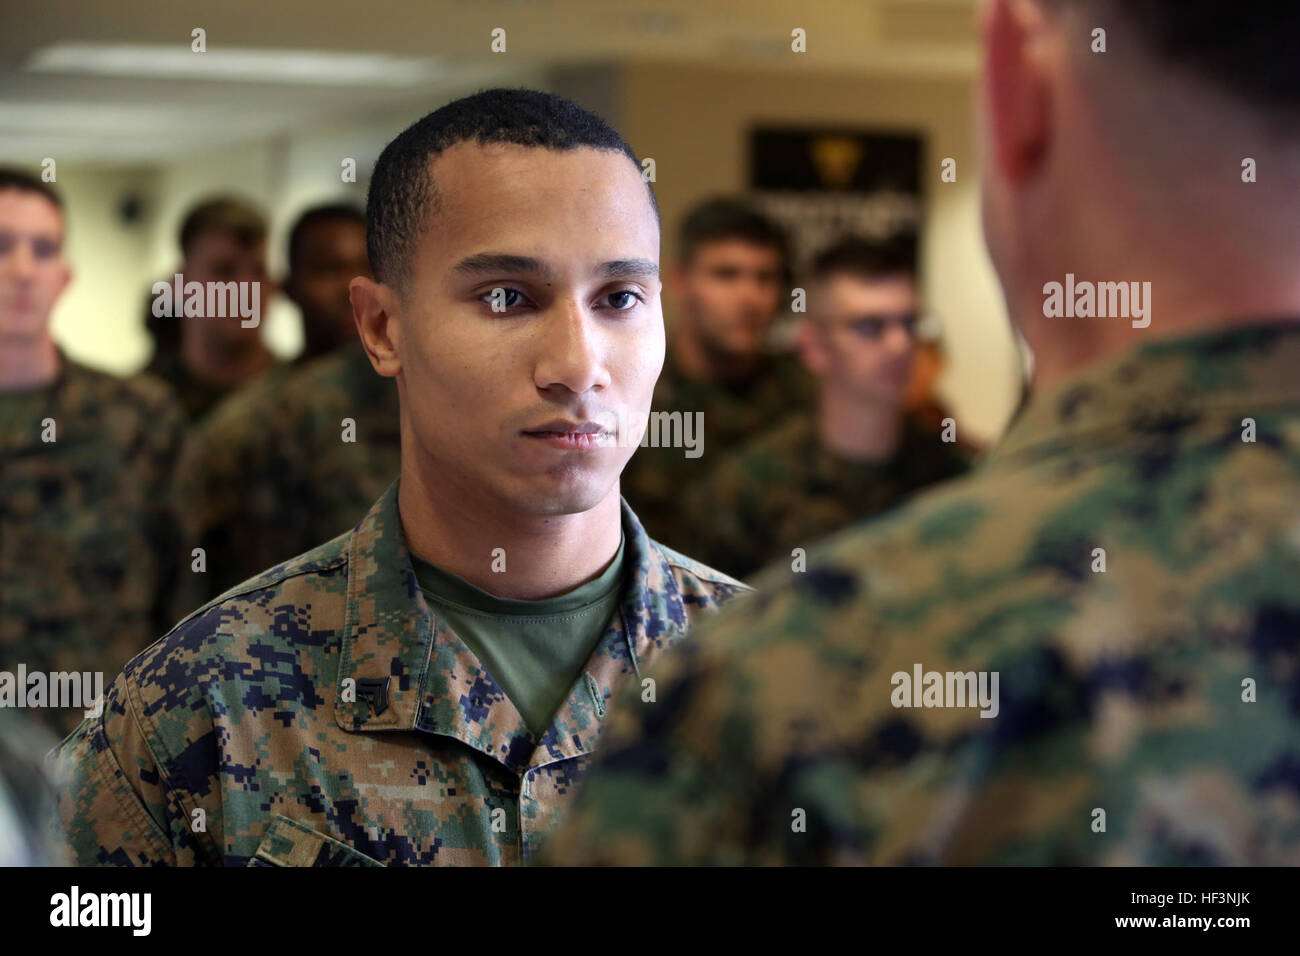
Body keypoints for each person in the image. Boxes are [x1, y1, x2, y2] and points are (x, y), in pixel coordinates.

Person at [543, 0, 1300, 865]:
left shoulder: (787, 689)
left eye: (907, 325)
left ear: (1017, 84)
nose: (894, 348)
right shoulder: (753, 542)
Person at [52, 89, 748, 867]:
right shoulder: (198, 708)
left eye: (620, 298)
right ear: (382, 328)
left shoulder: (790, 683)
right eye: (507, 297)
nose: (579, 366)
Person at [0, 169, 183, 738]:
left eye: (43, 249)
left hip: (103, 758)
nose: (23, 269)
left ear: (65, 276)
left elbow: (187, 598)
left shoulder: (138, 418)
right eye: (2, 245)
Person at [681, 235, 972, 579]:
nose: (899, 344)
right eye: (869, 326)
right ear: (814, 347)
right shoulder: (745, 491)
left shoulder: (957, 479)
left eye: (910, 324)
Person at [169, 202, 388, 616]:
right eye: (328, 269)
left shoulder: (426, 409)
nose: (354, 287)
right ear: (289, 287)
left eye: (369, 267)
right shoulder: (250, 425)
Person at [619, 197, 813, 553]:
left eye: (765, 278)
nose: (749, 297)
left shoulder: (810, 395)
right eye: (726, 275)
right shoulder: (629, 391)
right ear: (680, 282)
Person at [145, 196, 279, 421]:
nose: (247, 289)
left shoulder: (303, 397)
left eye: (259, 272)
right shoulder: (142, 403)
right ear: (181, 284)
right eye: (224, 271)